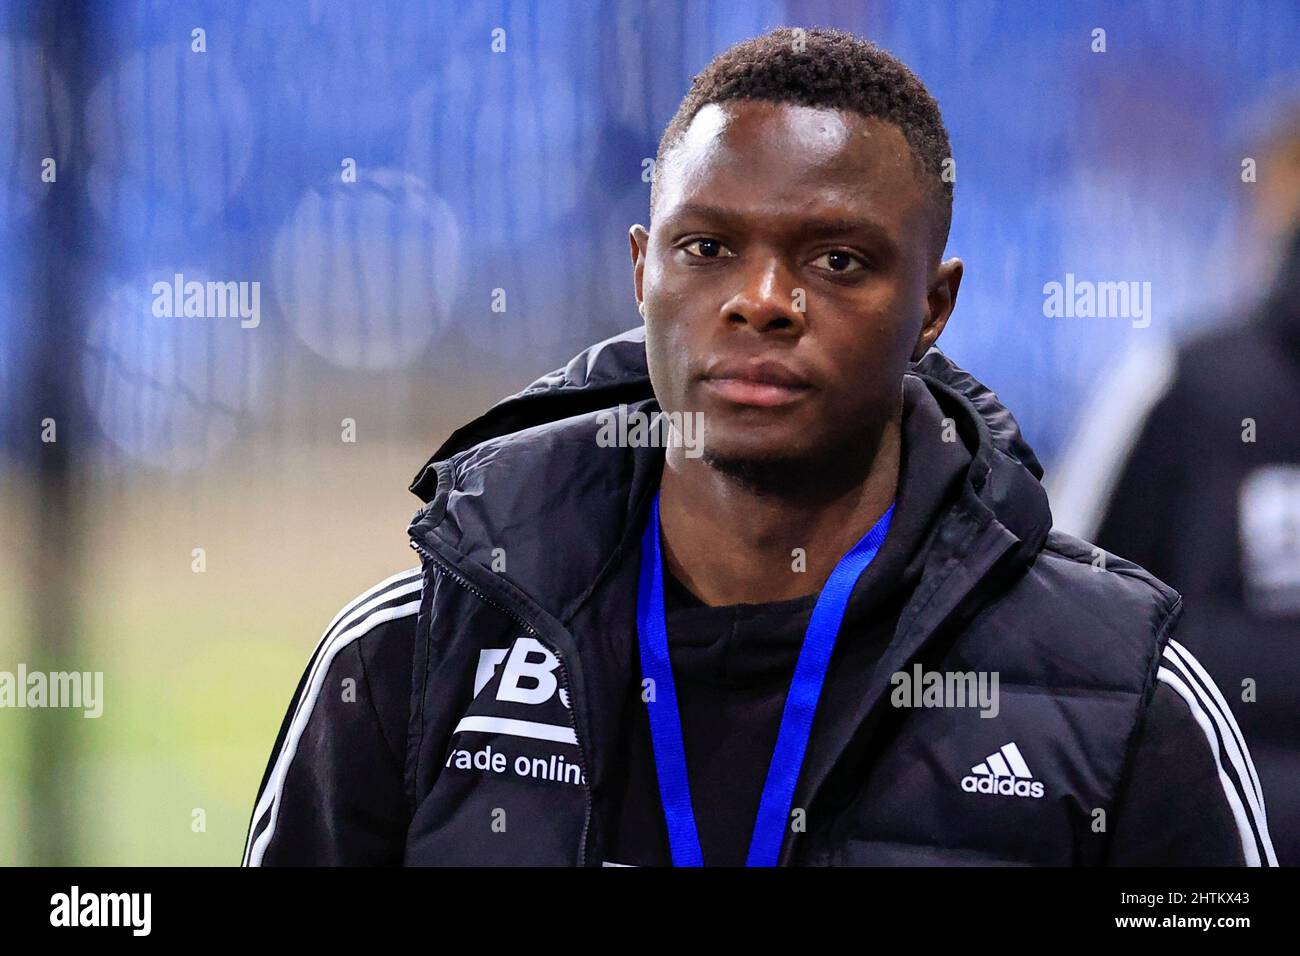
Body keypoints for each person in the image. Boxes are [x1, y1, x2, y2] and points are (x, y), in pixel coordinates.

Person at [244, 27, 1274, 866]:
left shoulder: (1121, 692)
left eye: (835, 258)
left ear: (933, 306)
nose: (761, 301)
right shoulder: (414, 650)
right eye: (706, 248)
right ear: (643, 271)